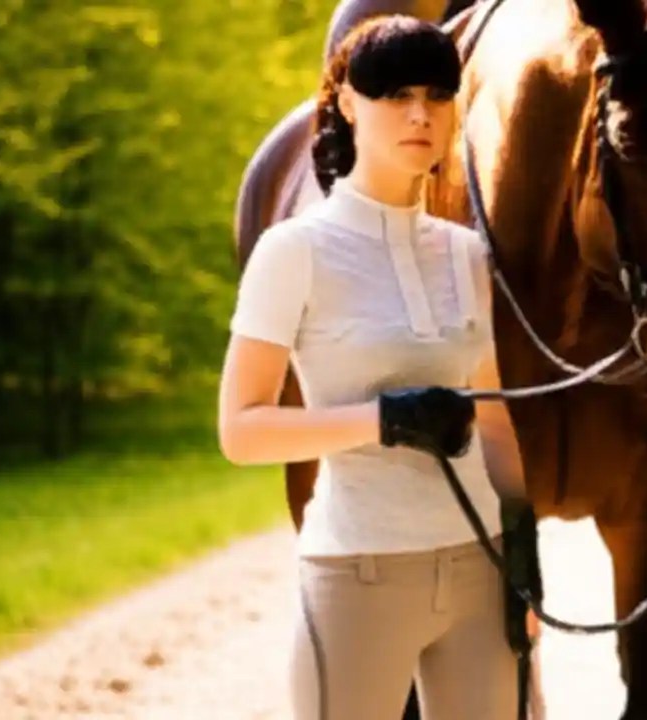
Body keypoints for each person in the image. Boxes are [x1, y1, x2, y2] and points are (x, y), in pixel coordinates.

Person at [217, 15, 523, 720]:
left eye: (436, 94)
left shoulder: (469, 254)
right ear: (347, 103)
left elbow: (499, 421)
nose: (420, 113)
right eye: (393, 94)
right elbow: (241, 429)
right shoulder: (293, 251)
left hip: (480, 569)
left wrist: (523, 557)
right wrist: (384, 420)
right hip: (358, 575)